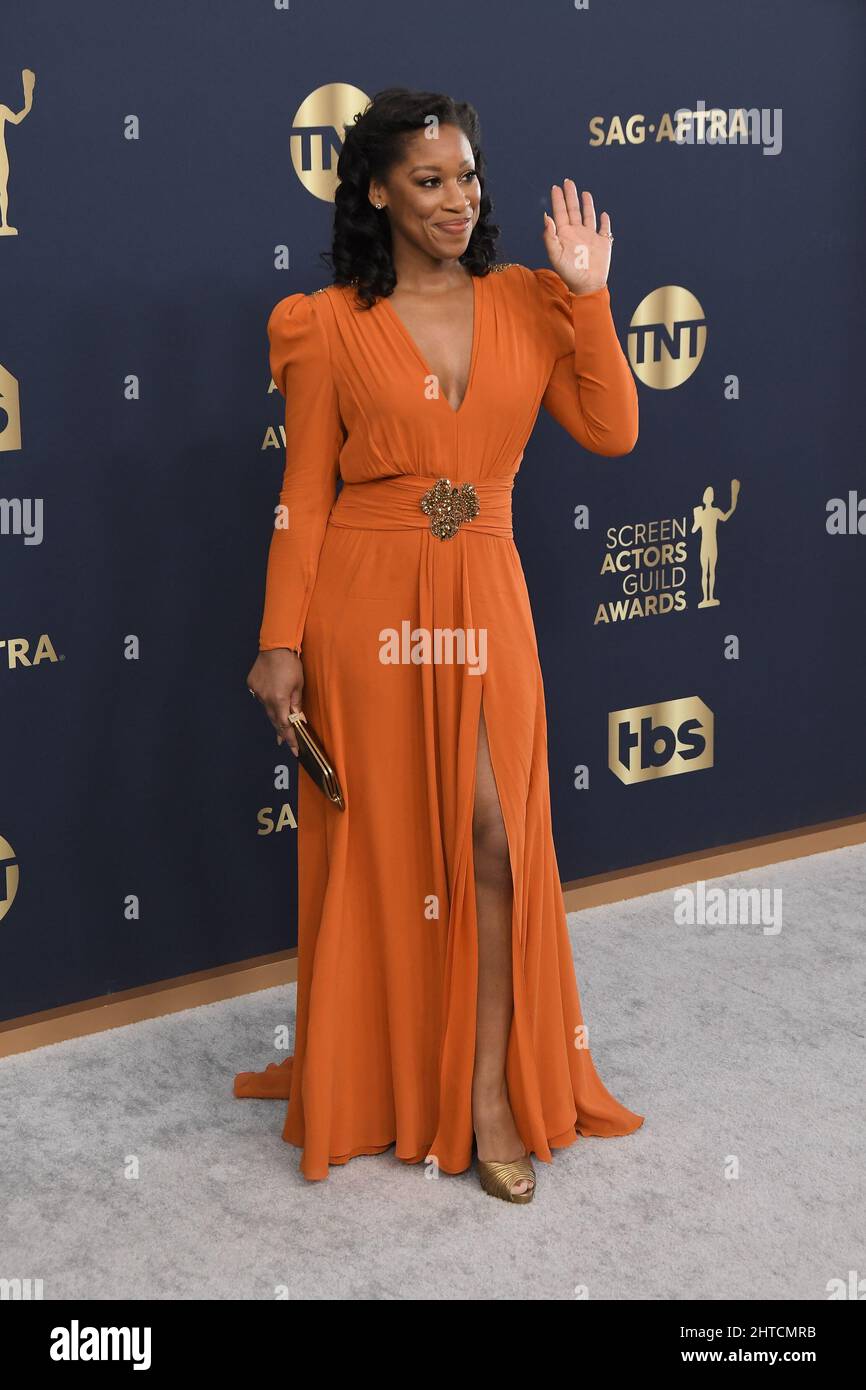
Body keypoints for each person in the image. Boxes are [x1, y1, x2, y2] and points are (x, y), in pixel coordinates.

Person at [235, 88, 645, 1204]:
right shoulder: (323, 324)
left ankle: (487, 1098)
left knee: (496, 840)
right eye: (428, 181)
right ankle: (384, 1079)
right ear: (374, 190)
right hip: (367, 601)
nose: (456, 200)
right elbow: (301, 499)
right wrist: (281, 644)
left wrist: (594, 296)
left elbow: (611, 431)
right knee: (391, 852)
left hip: (486, 592)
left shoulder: (527, 300)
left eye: (466, 177)